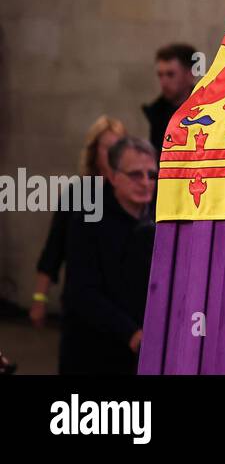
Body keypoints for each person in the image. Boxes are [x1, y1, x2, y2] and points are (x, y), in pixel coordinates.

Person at [59, 136, 158, 375]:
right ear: (113, 176)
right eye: (135, 174)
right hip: (94, 352)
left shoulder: (163, 220)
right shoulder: (88, 221)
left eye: (152, 175)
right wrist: (130, 332)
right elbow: (82, 292)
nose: (145, 182)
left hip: (145, 351)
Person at [30, 115, 127, 328]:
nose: (112, 154)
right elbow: (54, 248)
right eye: (106, 147)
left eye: (118, 147)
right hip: (79, 307)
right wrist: (40, 298)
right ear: (94, 151)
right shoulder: (78, 194)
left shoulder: (130, 197)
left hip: (120, 310)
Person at [142, 42, 198, 147]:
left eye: (170, 74)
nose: (164, 81)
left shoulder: (206, 109)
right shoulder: (156, 113)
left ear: (189, 75)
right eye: (160, 75)